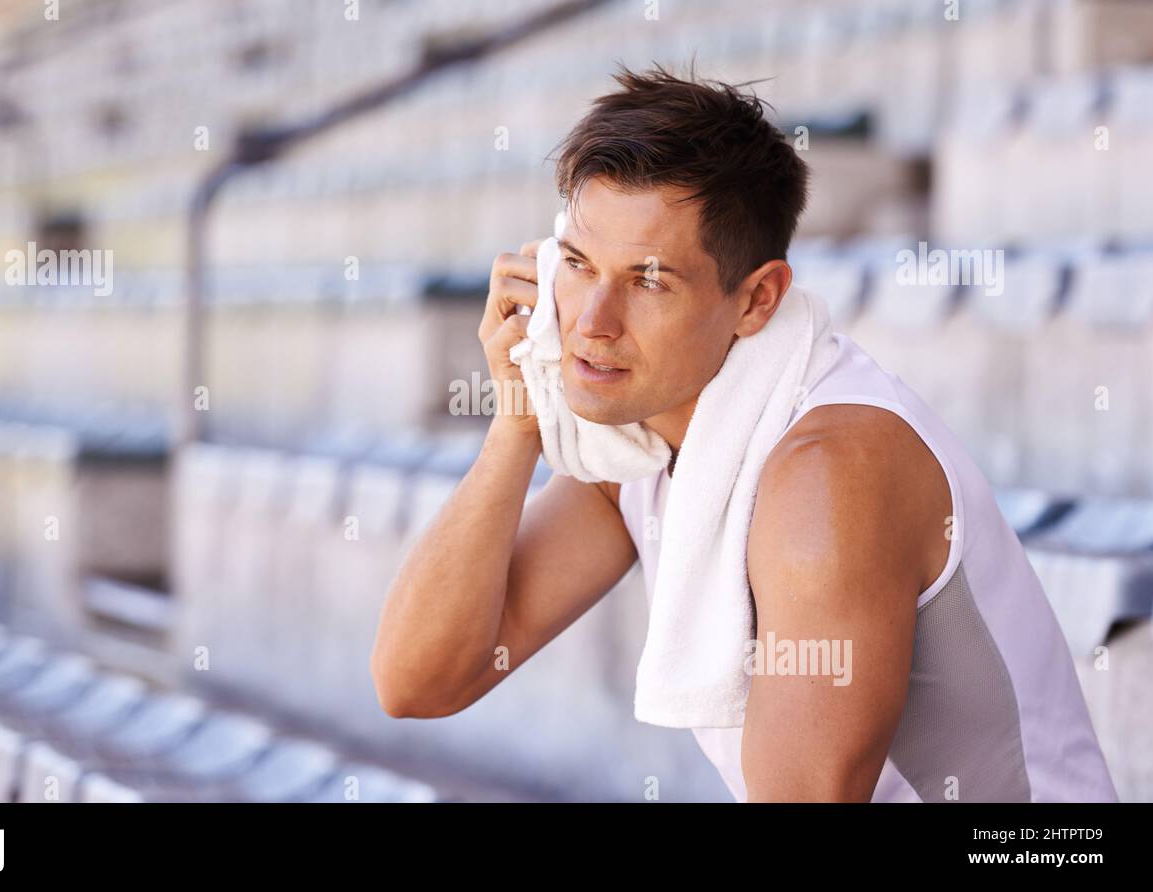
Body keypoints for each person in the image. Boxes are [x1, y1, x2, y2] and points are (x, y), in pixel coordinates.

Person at [370, 62, 1117, 802]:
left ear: (757, 299)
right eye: (577, 264)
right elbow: (419, 682)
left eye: (649, 281)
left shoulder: (829, 472)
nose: (592, 325)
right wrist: (517, 421)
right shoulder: (641, 446)